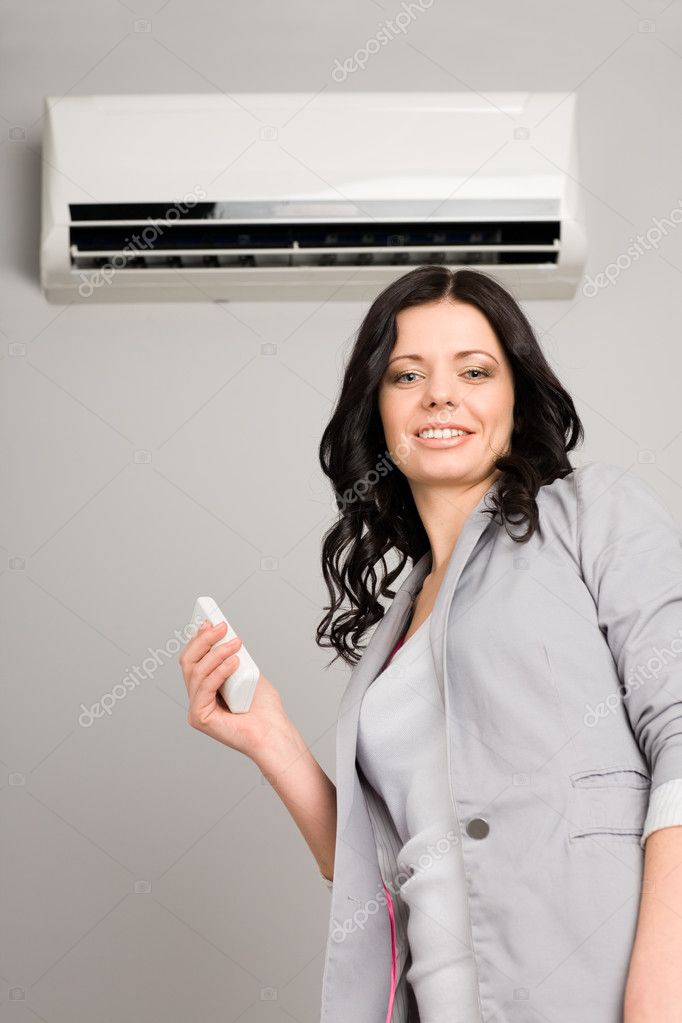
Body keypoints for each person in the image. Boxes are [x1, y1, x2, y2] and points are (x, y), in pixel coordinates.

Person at [179, 265, 682, 1022]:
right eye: (406, 374)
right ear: (377, 410)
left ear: (517, 393)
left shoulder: (590, 514)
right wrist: (271, 738)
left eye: (474, 371)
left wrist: (662, 996)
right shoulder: (396, 625)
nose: (440, 395)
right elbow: (375, 875)